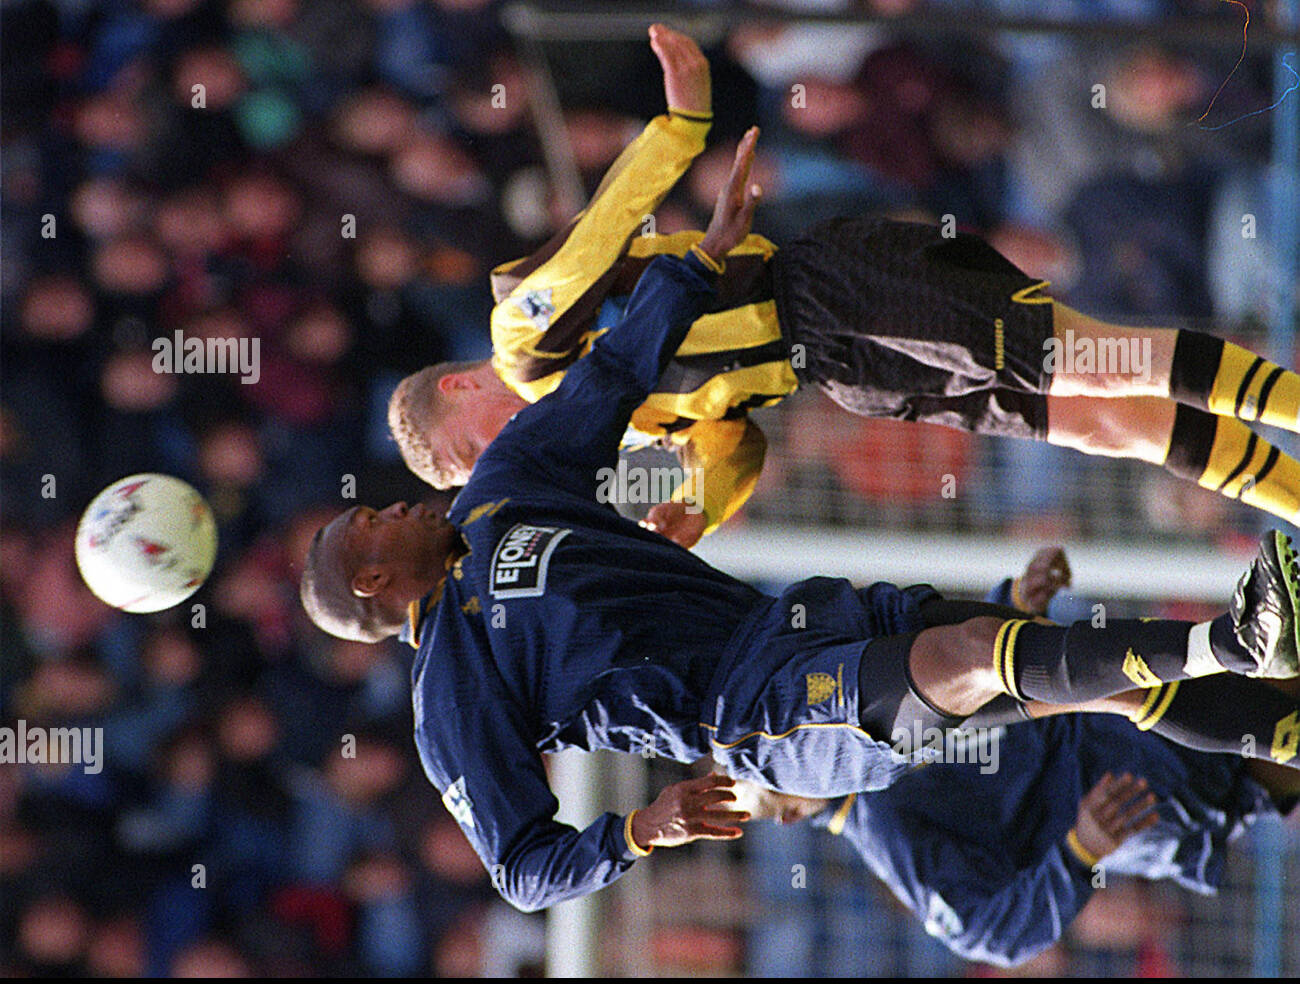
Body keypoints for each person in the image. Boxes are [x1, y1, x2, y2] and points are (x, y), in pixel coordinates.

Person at [301, 130, 1300, 912]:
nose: (398, 503)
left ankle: (1277, 723)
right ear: (377, 584)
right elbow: (522, 866)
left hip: (790, 612)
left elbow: (613, 376)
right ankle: (1232, 637)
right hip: (756, 720)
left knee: (1060, 629)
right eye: (377, 521)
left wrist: (696, 263)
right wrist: (636, 830)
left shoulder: (504, 488)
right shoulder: (450, 695)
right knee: (980, 628)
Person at [389, 24, 1300, 549]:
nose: (492, 461)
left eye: (471, 451)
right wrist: (696, 511)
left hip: (830, 288)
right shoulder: (601, 424)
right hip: (840, 370)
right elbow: (733, 442)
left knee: (1093, 364)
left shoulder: (524, 334)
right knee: (1094, 422)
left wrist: (682, 124)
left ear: (462, 387)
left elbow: (602, 230)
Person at [730, 548, 1300, 968]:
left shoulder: (866, 719)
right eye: (777, 771)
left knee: (1258, 678)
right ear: (791, 812)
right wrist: (1080, 853)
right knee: (1256, 710)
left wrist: (1014, 607)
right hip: (1135, 785)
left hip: (1097, 716)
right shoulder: (888, 832)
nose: (794, 749)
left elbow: (954, 680)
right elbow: (991, 932)